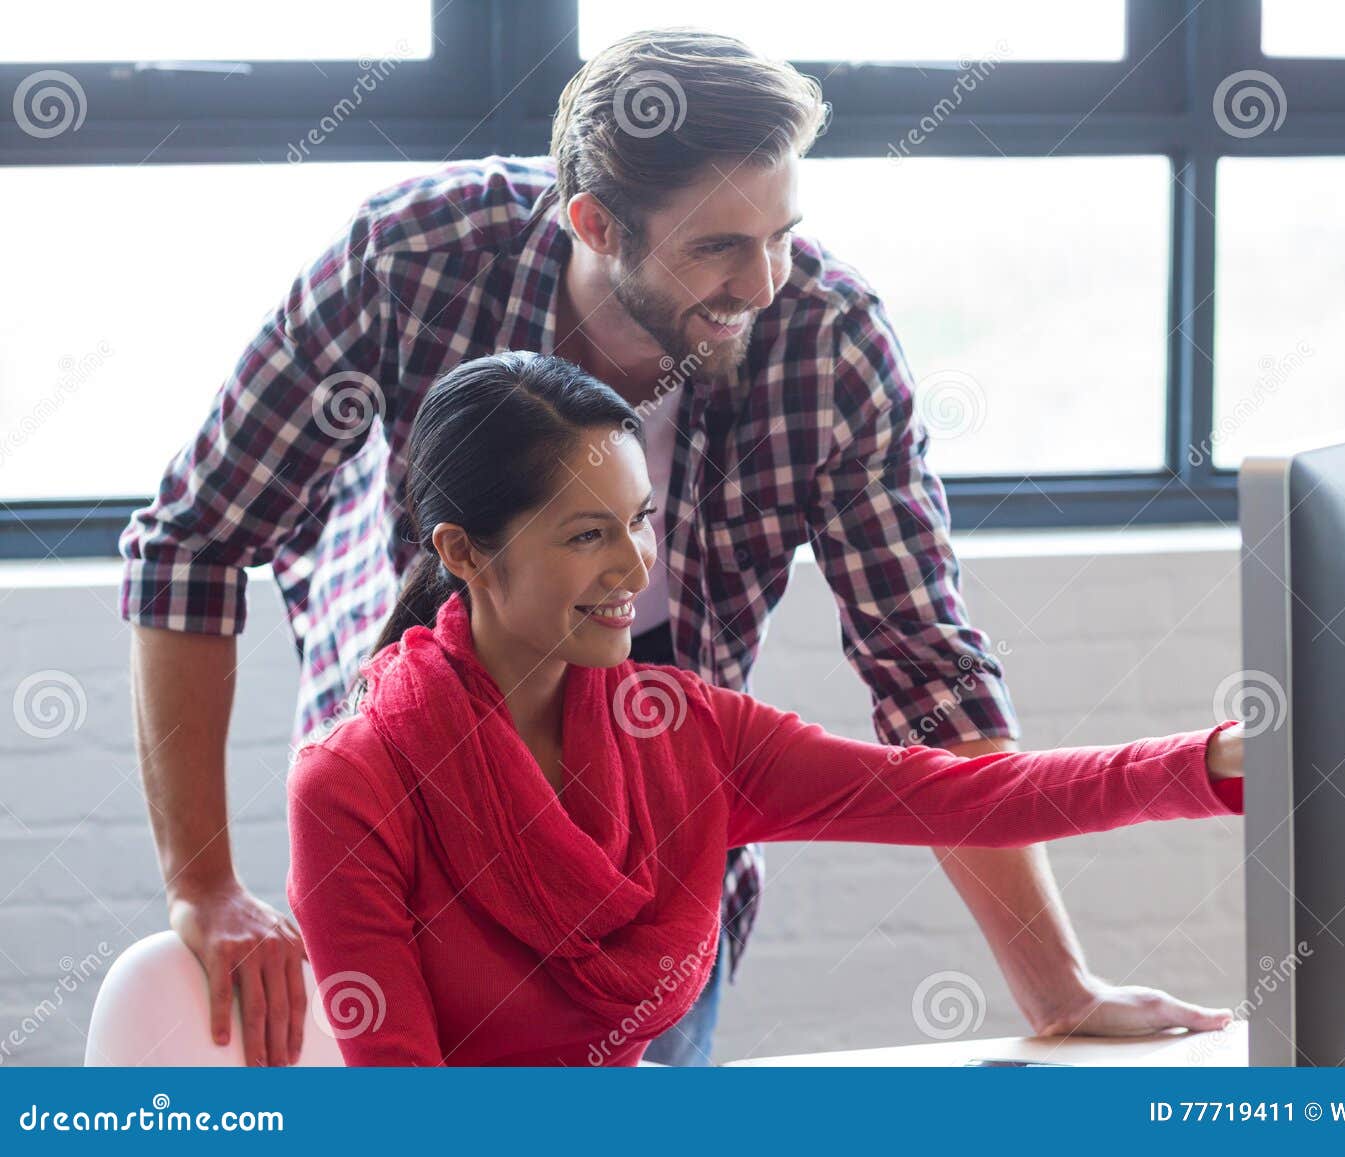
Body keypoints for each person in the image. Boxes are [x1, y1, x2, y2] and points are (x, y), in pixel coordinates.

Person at [122, 26, 1235, 1069]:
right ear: (595, 223)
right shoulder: (412, 260)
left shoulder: (824, 347)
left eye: (783, 236)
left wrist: (1055, 986)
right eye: (718, 248)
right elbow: (193, 543)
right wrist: (204, 883)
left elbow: (928, 685)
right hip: (419, 843)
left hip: (648, 885)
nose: (762, 285)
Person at [284, 352, 1245, 1067]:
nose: (633, 567)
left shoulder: (686, 730)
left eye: (641, 519)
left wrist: (1214, 764)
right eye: (588, 535)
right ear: (461, 551)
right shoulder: (352, 786)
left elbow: (963, 797)